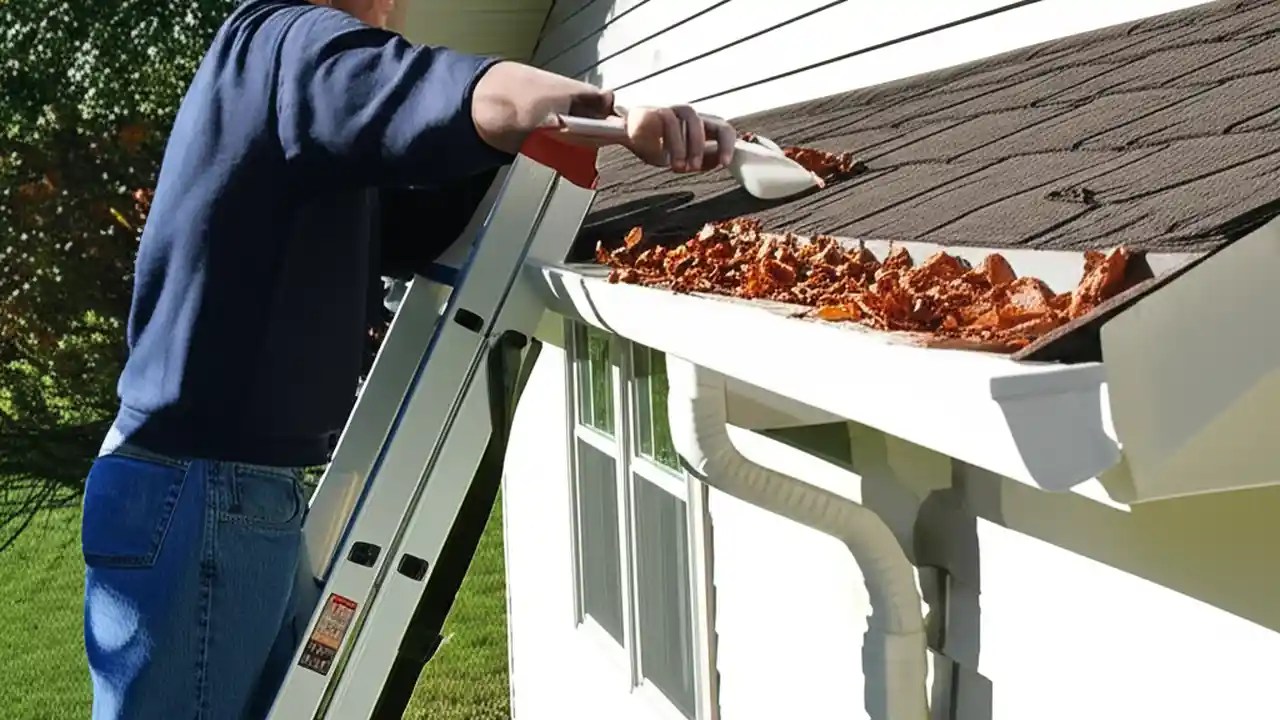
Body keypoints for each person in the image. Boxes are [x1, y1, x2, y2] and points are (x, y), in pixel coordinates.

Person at [78, 0, 737, 718]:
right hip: (205, 496)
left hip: (194, 489)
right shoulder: (298, 43)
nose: (394, 7)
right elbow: (435, 87)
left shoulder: (264, 79)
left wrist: (515, 149)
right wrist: (612, 115)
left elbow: (410, 223)